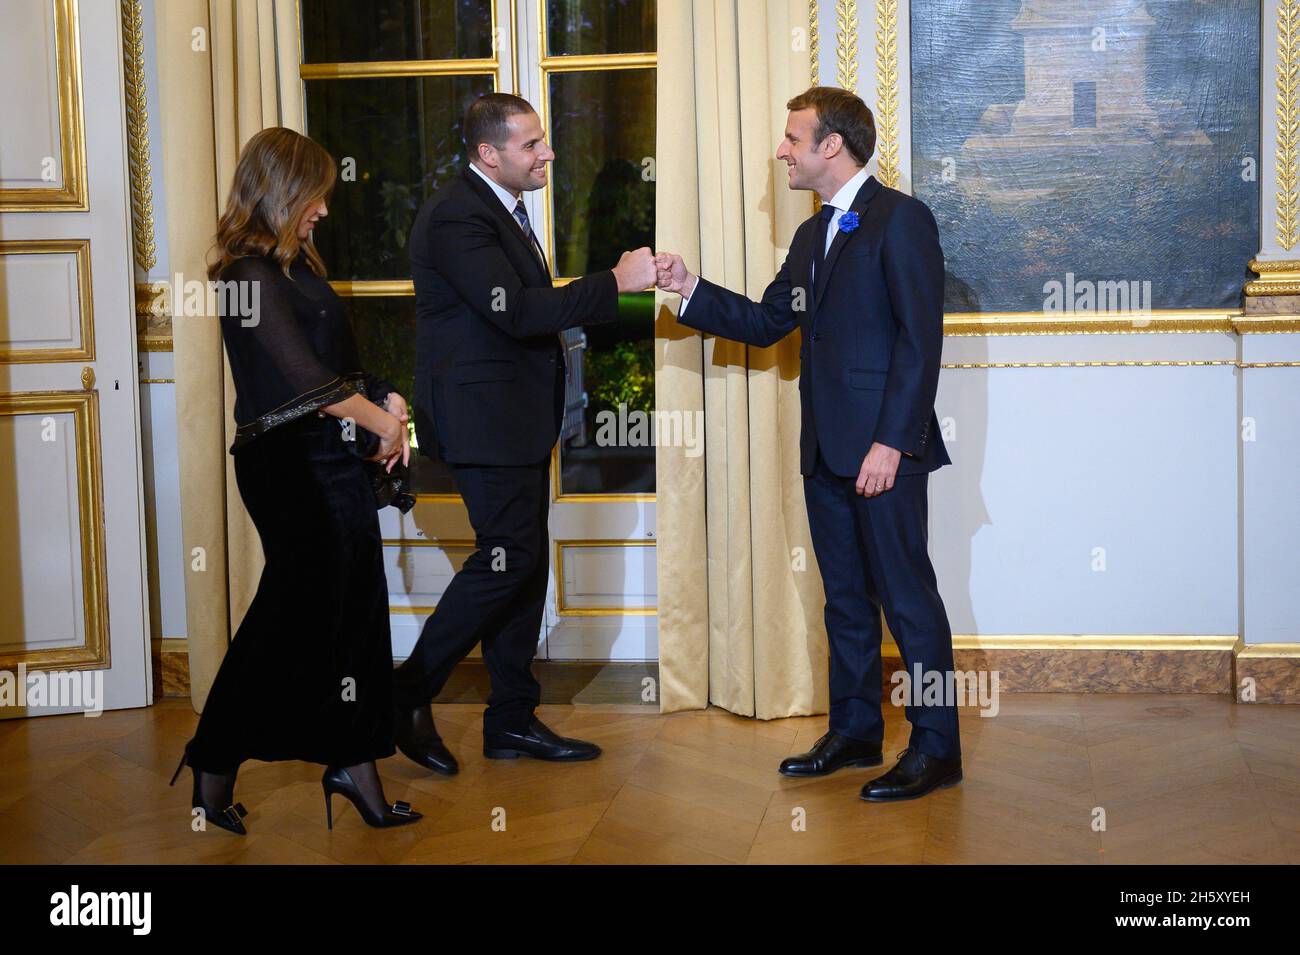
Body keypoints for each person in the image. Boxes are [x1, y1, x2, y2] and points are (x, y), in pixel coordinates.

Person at [655, 86, 962, 802]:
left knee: (908, 601)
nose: (781, 150)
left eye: (793, 138)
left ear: (832, 145)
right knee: (845, 600)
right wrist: (688, 286)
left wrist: (892, 442)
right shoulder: (808, 236)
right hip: (824, 451)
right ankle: (855, 732)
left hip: (886, 453)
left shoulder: (902, 220)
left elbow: (922, 342)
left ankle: (937, 746)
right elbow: (767, 321)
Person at [169, 127, 421, 833]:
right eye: (316, 196)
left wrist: (388, 399)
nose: (323, 211)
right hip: (289, 468)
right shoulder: (246, 276)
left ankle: (354, 765)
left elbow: (339, 363)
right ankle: (213, 760)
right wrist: (384, 425)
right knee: (290, 623)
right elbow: (306, 382)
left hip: (329, 460)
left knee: (354, 616)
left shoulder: (296, 267)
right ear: (283, 190)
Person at [396, 93, 658, 772]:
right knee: (506, 559)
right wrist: (617, 282)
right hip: (482, 424)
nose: (547, 153)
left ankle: (511, 717)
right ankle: (406, 691)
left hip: (513, 421)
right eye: (532, 144)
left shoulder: (499, 209)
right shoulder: (458, 214)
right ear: (489, 153)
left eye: (543, 141)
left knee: (524, 564)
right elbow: (518, 313)